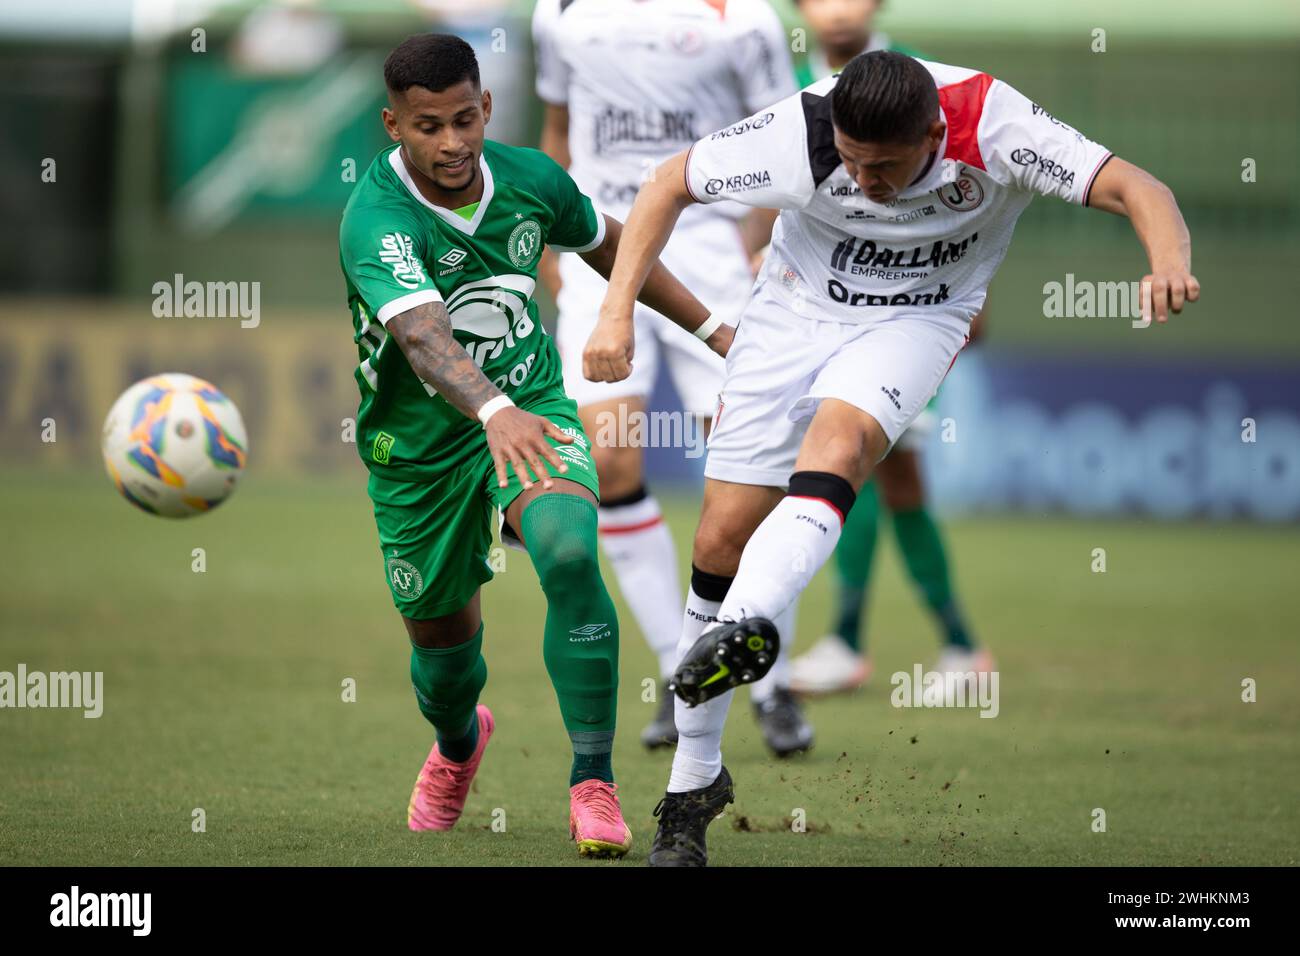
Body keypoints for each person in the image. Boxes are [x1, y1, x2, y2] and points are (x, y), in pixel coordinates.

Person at [586, 51, 1199, 865]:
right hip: (792, 309)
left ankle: (705, 734)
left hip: (923, 318)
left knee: (841, 442)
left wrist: (1169, 264)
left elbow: (1137, 187)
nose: (865, 181)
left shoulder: (993, 123)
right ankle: (706, 769)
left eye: (886, 167)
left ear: (935, 135)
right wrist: (615, 313)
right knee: (716, 543)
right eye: (851, 162)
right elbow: (666, 182)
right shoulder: (802, 127)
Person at [338, 33, 728, 859]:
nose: (453, 143)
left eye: (466, 119)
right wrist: (491, 412)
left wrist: (712, 327)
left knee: (567, 553)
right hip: (417, 449)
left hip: (535, 407)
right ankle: (456, 743)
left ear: (486, 109)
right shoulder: (375, 216)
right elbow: (421, 337)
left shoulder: (532, 180)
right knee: (444, 659)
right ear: (393, 126)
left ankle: (594, 783)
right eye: (428, 126)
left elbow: (613, 241)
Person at [532, 0, 814, 755]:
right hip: (600, 247)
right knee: (611, 455)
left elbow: (793, 137)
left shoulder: (745, 18)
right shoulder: (560, 10)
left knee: (745, 469)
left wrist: (759, 241)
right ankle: (678, 666)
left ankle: (772, 684)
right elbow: (558, 127)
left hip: (710, 245)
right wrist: (551, 250)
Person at [787, 0, 990, 694]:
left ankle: (848, 641)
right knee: (890, 472)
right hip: (815, 305)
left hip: (909, 307)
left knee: (859, 450)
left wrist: (978, 293)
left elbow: (982, 182)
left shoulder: (920, 80)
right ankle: (960, 645)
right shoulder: (785, 79)